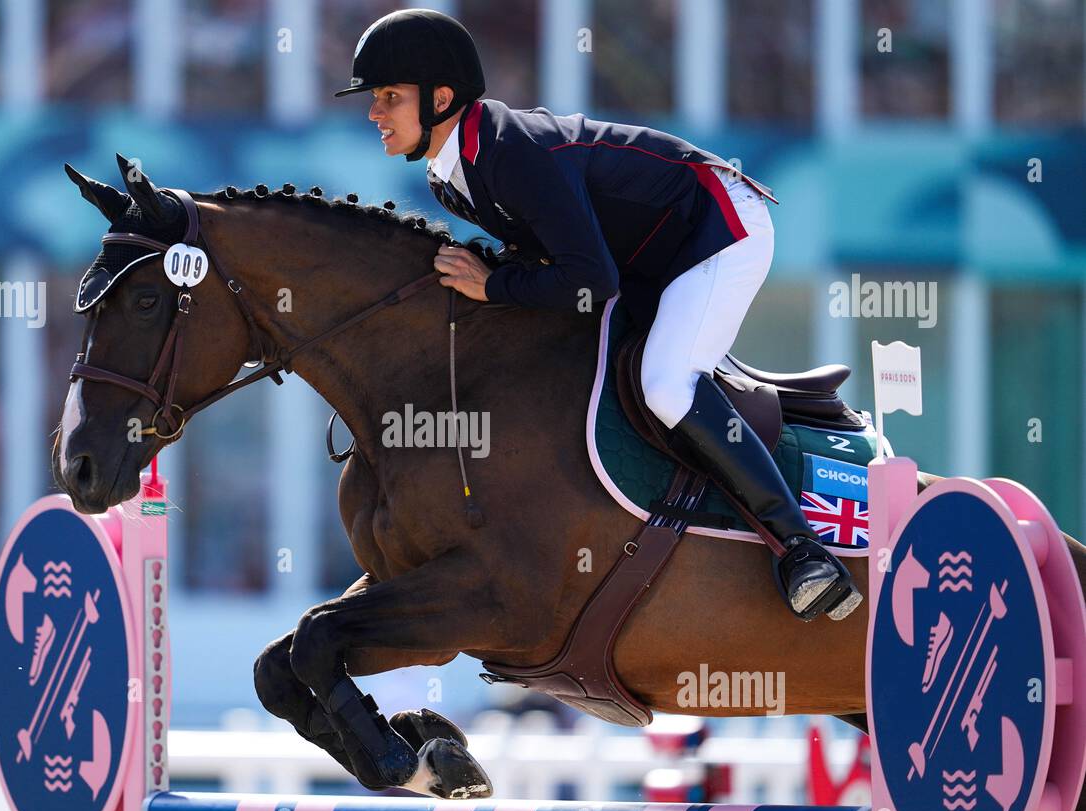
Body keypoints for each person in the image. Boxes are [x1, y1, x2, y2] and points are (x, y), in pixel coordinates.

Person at [333, 8, 860, 622]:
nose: (375, 112)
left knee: (665, 385)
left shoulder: (511, 152)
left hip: (718, 229)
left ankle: (804, 551)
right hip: (643, 255)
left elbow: (588, 280)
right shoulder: (451, 175)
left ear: (442, 98)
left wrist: (496, 285)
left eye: (389, 97)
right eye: (375, 98)